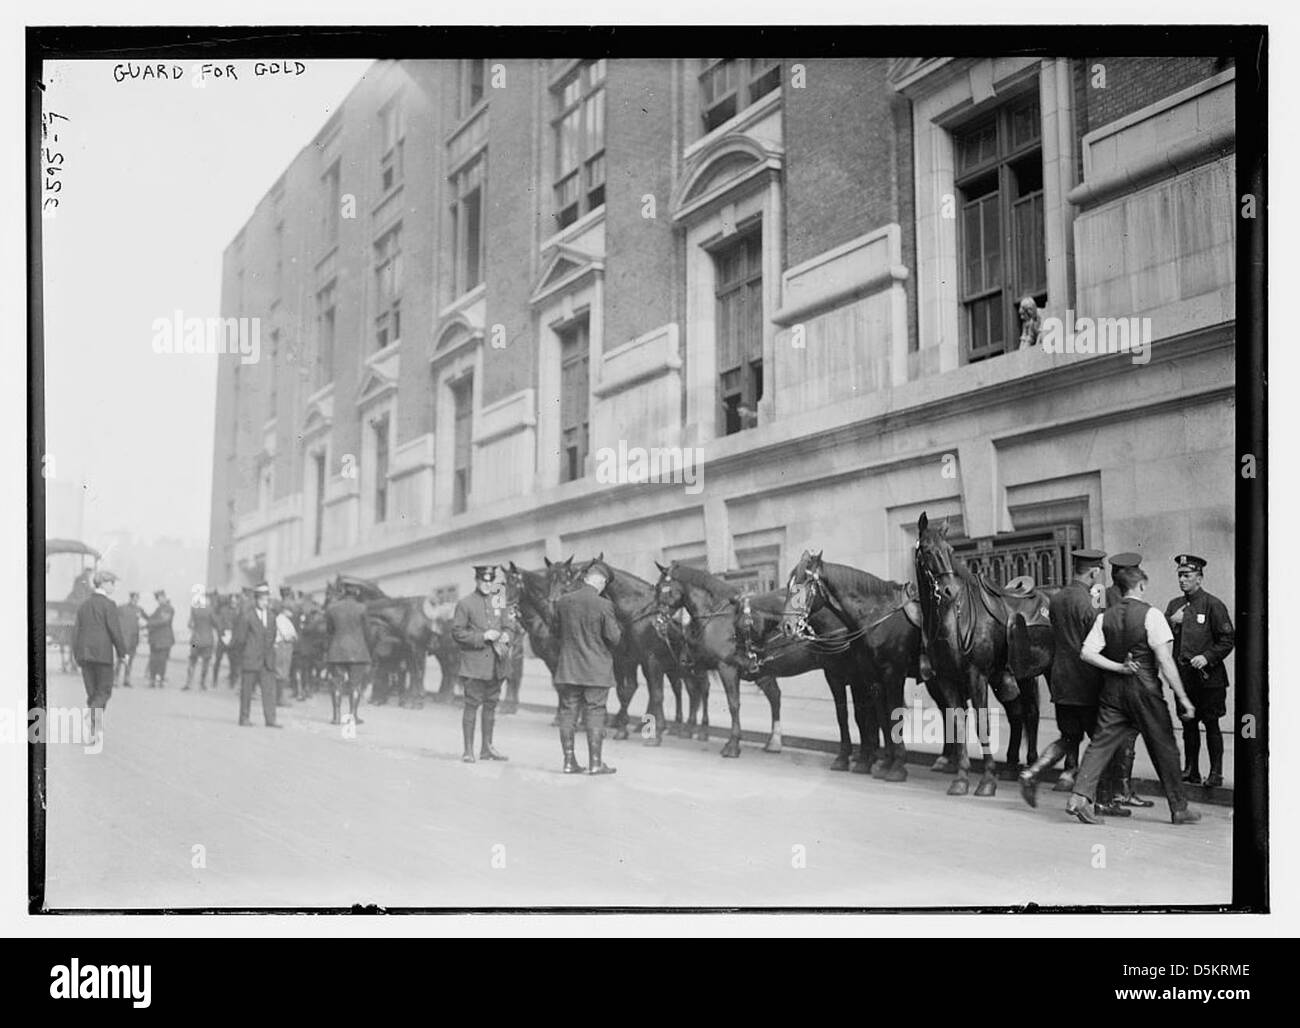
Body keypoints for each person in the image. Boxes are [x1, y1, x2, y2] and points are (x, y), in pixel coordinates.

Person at [1066, 565, 1200, 825]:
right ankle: (1179, 808)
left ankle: (1079, 798)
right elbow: (1165, 661)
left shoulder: (1105, 617)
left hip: (1113, 692)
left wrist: (1118, 667)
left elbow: (1087, 653)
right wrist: (1182, 697)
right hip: (1145, 690)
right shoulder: (1152, 615)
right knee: (1164, 747)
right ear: (1140, 586)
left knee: (1100, 744)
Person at [1019, 549, 1127, 816]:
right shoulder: (1086, 602)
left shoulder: (1057, 599)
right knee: (1101, 741)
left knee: (1069, 737)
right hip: (1086, 682)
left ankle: (1032, 772)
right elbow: (1098, 642)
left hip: (1061, 680)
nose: (1098, 576)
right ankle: (1097, 800)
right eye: (1098, 572)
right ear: (1093, 572)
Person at [1165, 554, 1235, 788]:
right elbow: (1161, 635)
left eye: (1187, 575)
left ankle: (1216, 773)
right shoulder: (1174, 606)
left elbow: (1227, 639)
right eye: (1180, 575)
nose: (1182, 580)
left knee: (1212, 724)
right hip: (1184, 679)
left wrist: (1206, 657)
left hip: (1209, 679)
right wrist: (1171, 621)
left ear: (1199, 578)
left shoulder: (1213, 604)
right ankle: (1191, 769)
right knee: (1188, 725)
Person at [553, 560, 623, 775]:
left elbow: (555, 633)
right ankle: (595, 763)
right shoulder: (604, 605)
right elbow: (614, 638)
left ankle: (568, 762)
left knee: (567, 714)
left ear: (585, 579)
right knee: (595, 713)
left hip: (568, 669)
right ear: (601, 581)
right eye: (604, 584)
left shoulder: (563, 602)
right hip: (596, 670)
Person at [1103, 552, 1155, 809]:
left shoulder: (1105, 596)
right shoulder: (1127, 601)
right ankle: (1121, 790)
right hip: (1128, 675)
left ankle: (1117, 789)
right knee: (1128, 736)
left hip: (1109, 675)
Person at [451, 565, 513, 762]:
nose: (487, 584)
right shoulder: (465, 603)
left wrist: (505, 635)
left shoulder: (498, 596)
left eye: (490, 581)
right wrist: (483, 636)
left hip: (497, 664)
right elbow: (458, 632)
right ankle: (468, 750)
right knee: (471, 706)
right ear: (476, 581)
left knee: (491, 706)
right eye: (483, 581)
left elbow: (509, 625)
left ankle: (487, 748)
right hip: (474, 666)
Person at [73, 569, 127, 747]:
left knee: (93, 694)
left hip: (85, 656)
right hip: (103, 656)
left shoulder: (83, 605)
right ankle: (92, 721)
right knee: (103, 692)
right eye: (112, 583)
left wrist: (77, 655)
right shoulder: (109, 605)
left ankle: (94, 732)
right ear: (103, 584)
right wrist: (122, 652)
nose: (113, 586)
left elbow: (76, 632)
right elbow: (115, 631)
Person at [232, 583, 281, 728]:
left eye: (267, 600)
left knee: (269, 691)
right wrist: (245, 654)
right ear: (256, 600)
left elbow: (272, 636)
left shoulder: (272, 617)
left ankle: (270, 719)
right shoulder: (247, 617)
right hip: (251, 659)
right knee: (247, 690)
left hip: (267, 660)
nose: (265, 602)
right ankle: (244, 718)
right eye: (262, 600)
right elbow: (240, 639)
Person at [325, 582, 370, 727]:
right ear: (356, 593)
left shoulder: (332, 608)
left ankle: (336, 716)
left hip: (337, 650)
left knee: (336, 683)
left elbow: (329, 630)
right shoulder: (362, 608)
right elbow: (367, 631)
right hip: (358, 651)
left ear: (343, 592)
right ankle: (353, 716)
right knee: (355, 685)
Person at [185, 592, 216, 691]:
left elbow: (189, 624)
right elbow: (216, 623)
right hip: (207, 641)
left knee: (192, 660)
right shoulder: (211, 610)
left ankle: (188, 682)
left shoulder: (194, 609)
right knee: (206, 662)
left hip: (195, 640)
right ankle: (202, 684)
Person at [274, 590, 299, 706]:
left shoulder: (286, 620)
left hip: (286, 648)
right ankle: (279, 698)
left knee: (284, 673)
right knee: (281, 673)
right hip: (282, 647)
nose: (292, 612)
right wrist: (293, 637)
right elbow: (288, 636)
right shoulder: (281, 619)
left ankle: (279, 697)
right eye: (290, 610)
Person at [116, 590, 143, 688]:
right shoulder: (122, 608)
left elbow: (147, 619)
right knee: (120, 659)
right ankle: (115, 679)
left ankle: (126, 680)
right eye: (134, 598)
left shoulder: (139, 609)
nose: (136, 600)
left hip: (134, 639)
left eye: (137, 599)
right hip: (123, 638)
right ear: (130, 598)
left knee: (130, 660)